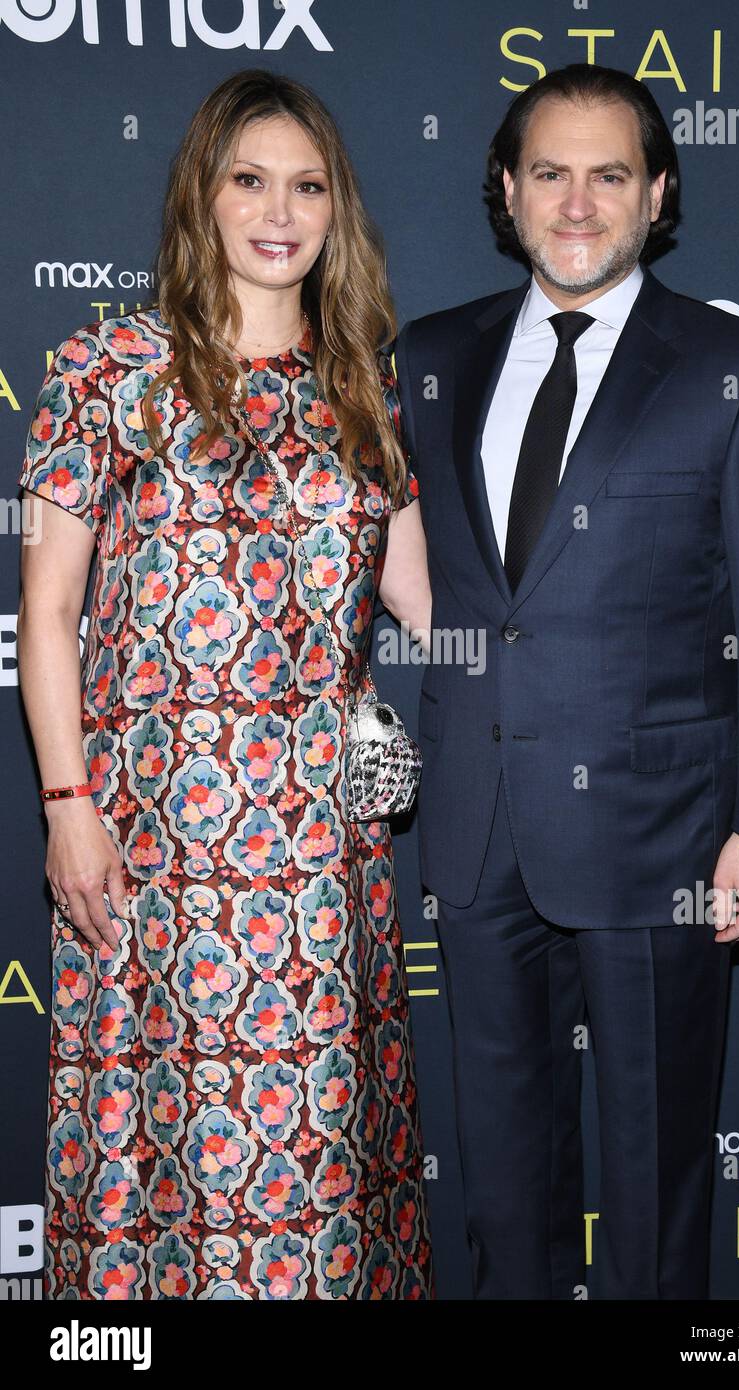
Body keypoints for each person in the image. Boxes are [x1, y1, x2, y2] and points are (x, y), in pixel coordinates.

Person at [393, 63, 739, 1300]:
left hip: (663, 840)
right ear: (506, 190)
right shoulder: (429, 358)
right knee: (501, 1178)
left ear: (657, 195)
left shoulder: (735, 369)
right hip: (477, 828)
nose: (575, 203)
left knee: (651, 1181)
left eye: (608, 174)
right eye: (548, 172)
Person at [18, 68, 434, 1301]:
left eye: (308, 186)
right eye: (249, 179)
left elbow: (423, 600)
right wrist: (66, 802)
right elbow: (46, 614)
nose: (279, 210)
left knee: (313, 1167)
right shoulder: (107, 368)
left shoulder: (361, 383)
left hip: (317, 857)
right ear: (202, 194)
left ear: (336, 210)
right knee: (163, 1156)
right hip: (150, 837)